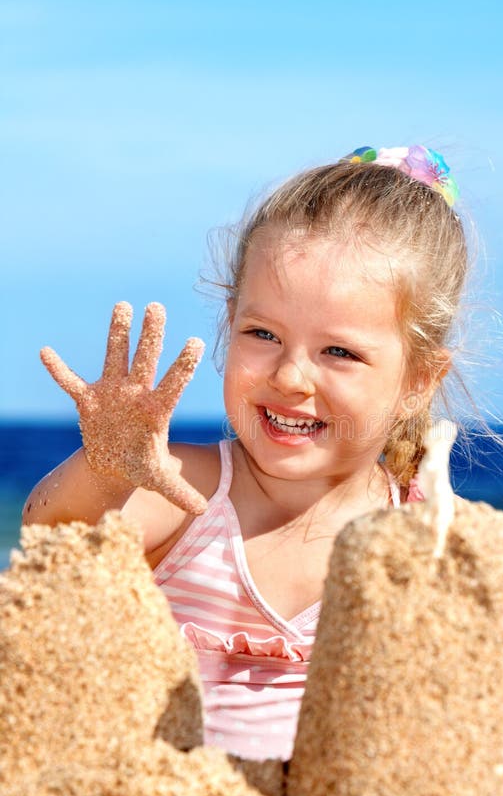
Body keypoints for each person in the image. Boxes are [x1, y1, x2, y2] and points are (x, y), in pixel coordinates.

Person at [23, 145, 469, 763]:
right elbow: (53, 540)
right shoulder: (187, 489)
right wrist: (104, 469)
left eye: (339, 352)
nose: (291, 377)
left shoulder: (421, 531)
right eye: (263, 335)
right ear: (230, 321)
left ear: (419, 378)